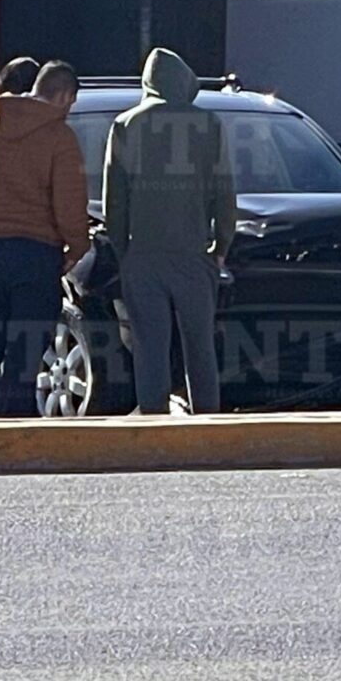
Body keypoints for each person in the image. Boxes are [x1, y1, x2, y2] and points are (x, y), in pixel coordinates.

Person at [0, 61, 90, 418]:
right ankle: (13, 426)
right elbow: (69, 203)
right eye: (70, 103)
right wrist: (76, 247)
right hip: (39, 254)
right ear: (62, 95)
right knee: (26, 347)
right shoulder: (59, 137)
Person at [103, 48, 235, 416]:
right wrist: (221, 246)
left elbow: (115, 200)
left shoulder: (125, 125)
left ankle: (153, 417)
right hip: (195, 254)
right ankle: (207, 418)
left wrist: (122, 250)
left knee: (150, 345)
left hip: (142, 255)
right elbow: (225, 194)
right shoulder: (210, 125)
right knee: (200, 345)